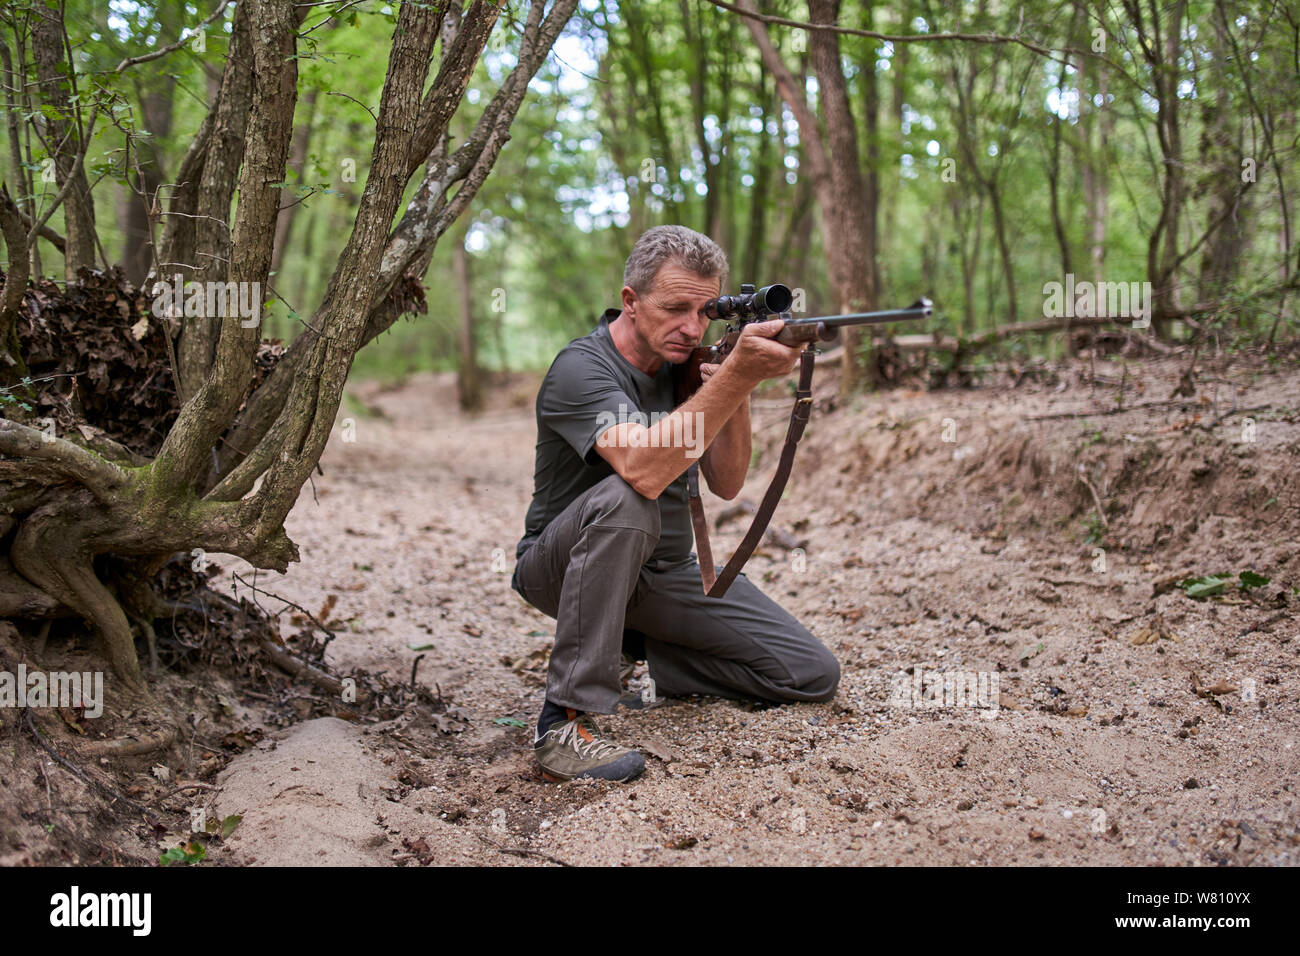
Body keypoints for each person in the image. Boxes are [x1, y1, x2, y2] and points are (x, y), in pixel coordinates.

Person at [511, 225, 840, 782]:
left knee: (810, 674)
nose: (691, 328)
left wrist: (731, 383)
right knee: (627, 497)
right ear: (631, 302)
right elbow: (642, 468)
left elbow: (728, 482)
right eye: (674, 309)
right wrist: (732, 377)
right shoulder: (580, 369)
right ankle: (560, 724)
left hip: (664, 573)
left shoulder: (692, 363)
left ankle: (643, 657)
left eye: (704, 311)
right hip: (562, 567)